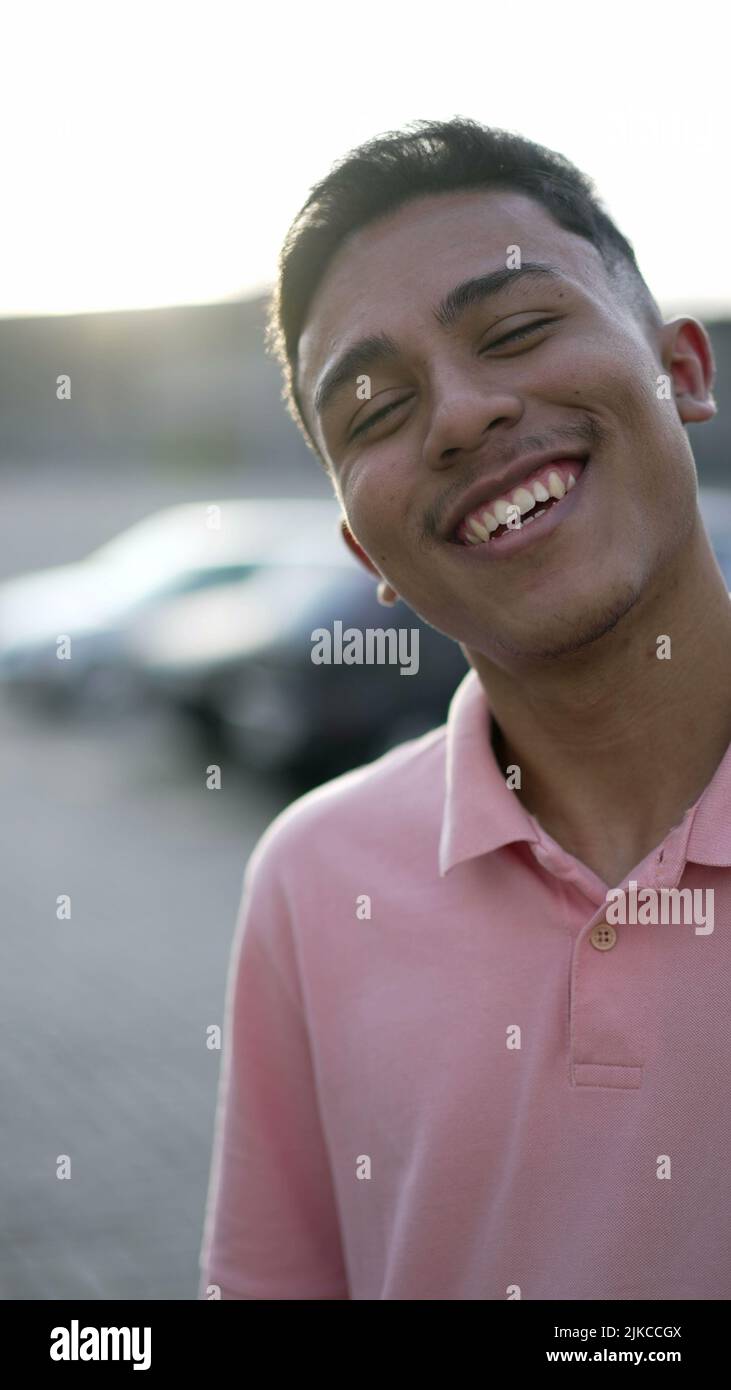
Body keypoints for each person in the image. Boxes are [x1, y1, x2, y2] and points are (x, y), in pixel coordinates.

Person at [199, 119, 731, 1300]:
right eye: (376, 411)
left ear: (680, 368)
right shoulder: (312, 878)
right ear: (362, 549)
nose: (456, 415)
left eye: (517, 329)